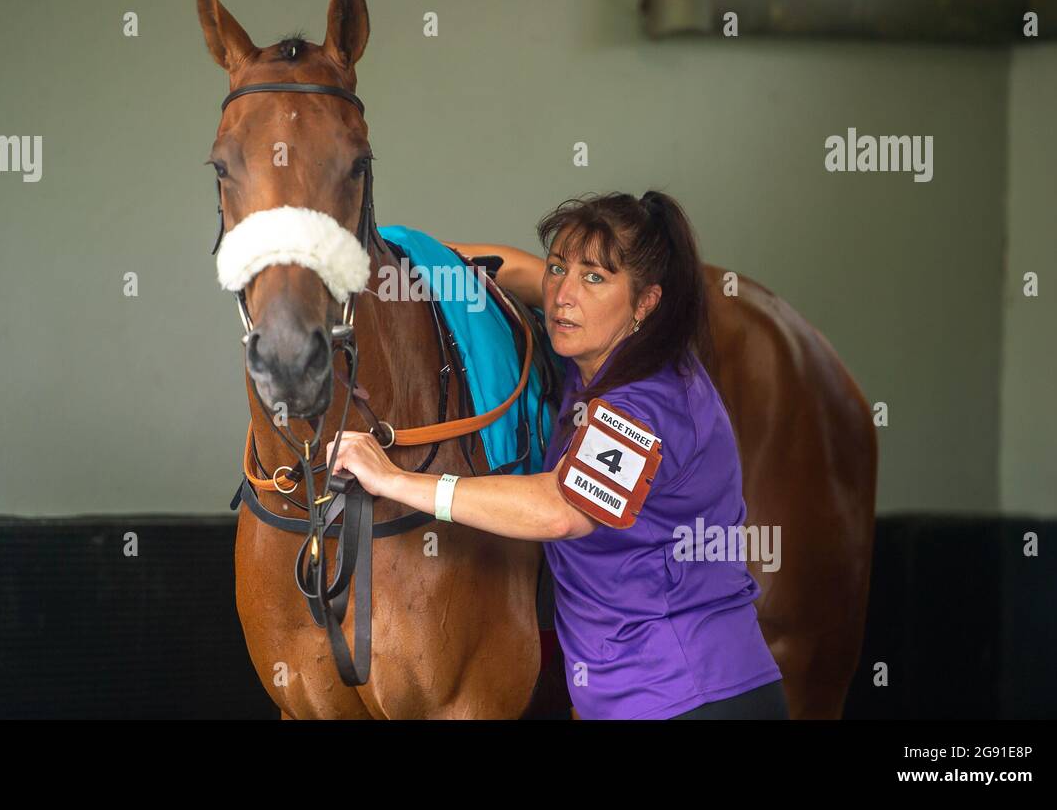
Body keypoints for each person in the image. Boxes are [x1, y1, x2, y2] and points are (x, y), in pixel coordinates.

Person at [326, 190, 787, 719]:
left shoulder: (649, 402)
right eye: (558, 269)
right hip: (637, 703)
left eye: (594, 278)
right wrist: (384, 262)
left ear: (646, 303)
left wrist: (394, 480)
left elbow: (563, 511)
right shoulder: (597, 351)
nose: (563, 295)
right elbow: (513, 269)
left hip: (698, 697)